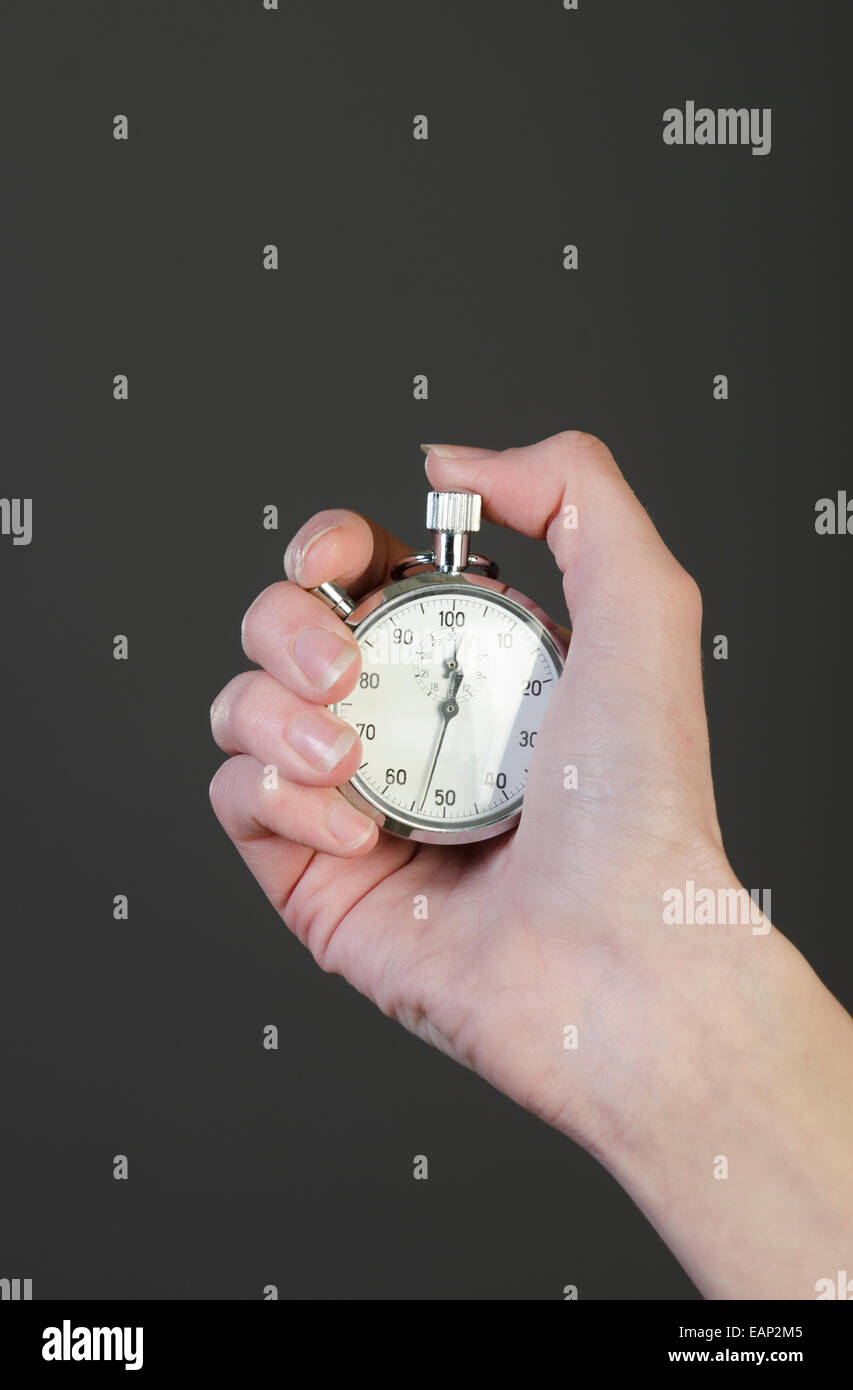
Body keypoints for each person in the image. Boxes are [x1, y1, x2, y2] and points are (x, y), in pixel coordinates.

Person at [209, 431, 853, 1299]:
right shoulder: (415, 632)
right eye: (433, 683)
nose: (445, 699)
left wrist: (642, 952)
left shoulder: (530, 644)